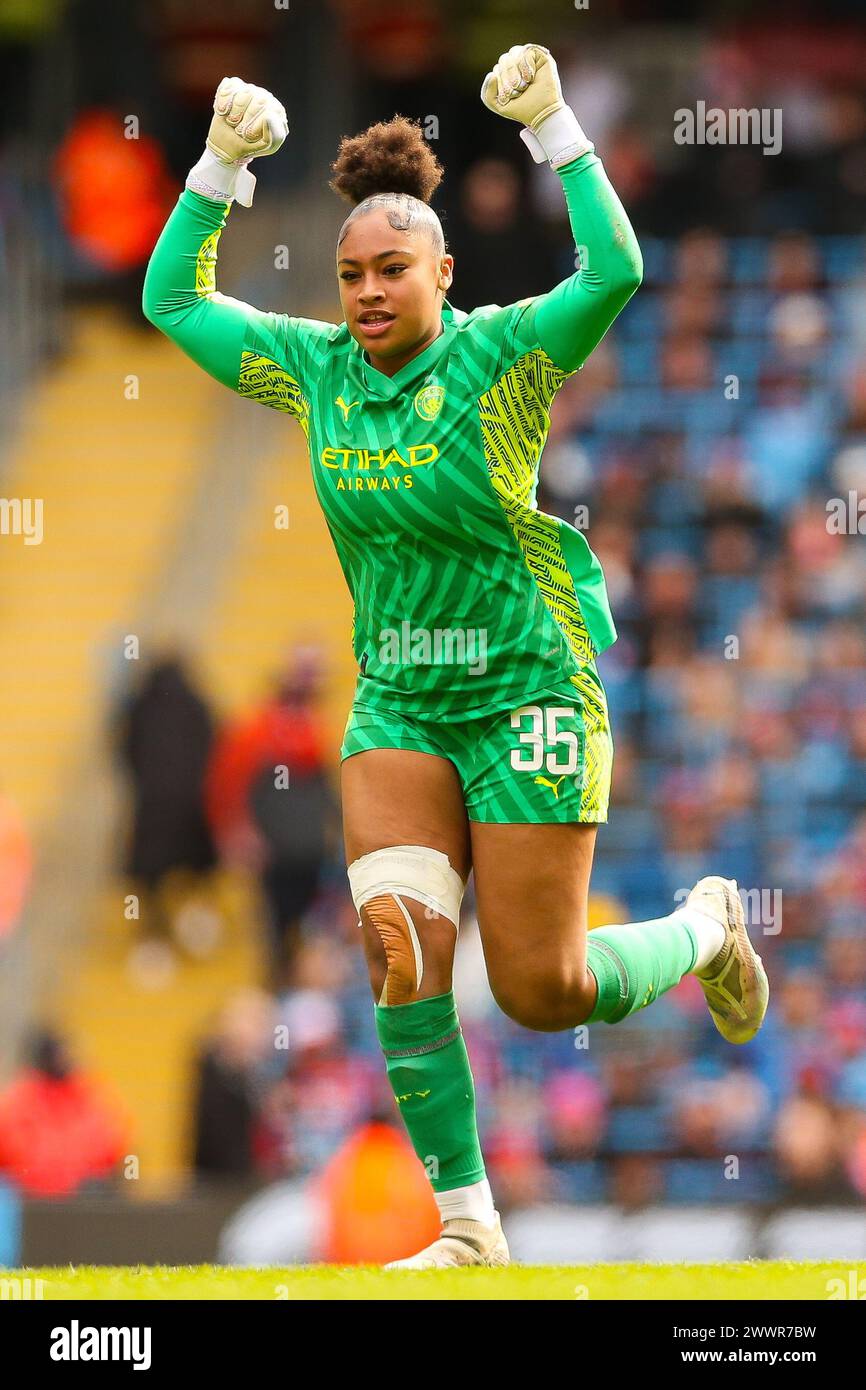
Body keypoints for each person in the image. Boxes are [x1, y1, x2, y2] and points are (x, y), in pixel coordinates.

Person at [143, 43, 769, 1269]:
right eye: (348, 275)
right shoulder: (314, 371)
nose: (366, 292)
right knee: (397, 947)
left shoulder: (499, 360)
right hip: (400, 702)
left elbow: (618, 267)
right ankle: (469, 1226)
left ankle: (703, 927)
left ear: (443, 269)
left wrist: (551, 130)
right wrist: (220, 164)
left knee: (540, 988)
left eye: (391, 269)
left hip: (528, 684)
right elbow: (173, 299)